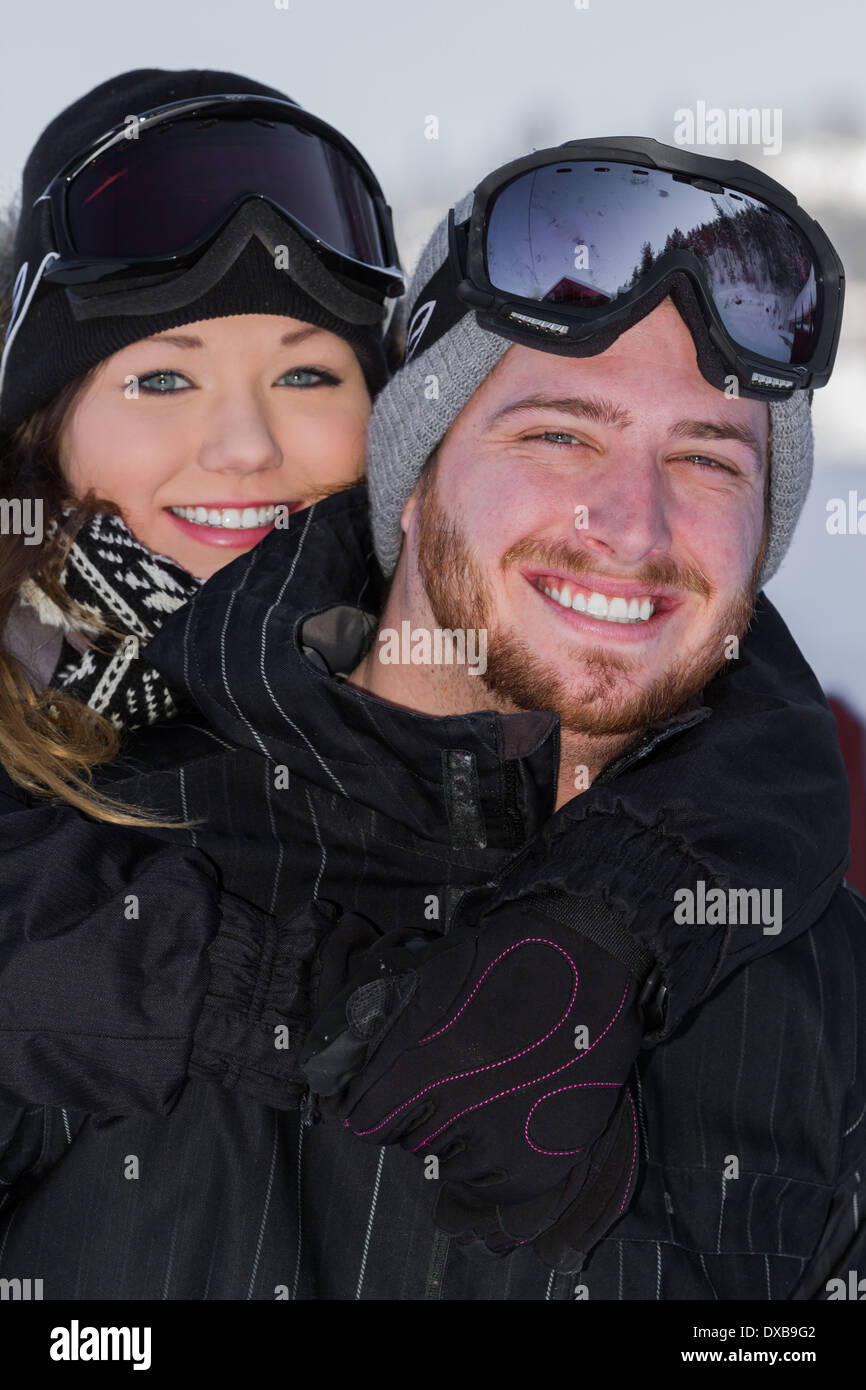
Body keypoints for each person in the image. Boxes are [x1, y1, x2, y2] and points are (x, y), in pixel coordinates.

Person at [0, 136, 860, 1299]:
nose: (632, 523)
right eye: (558, 431)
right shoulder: (95, 870)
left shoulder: (821, 991)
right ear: (409, 468)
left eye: (708, 460)